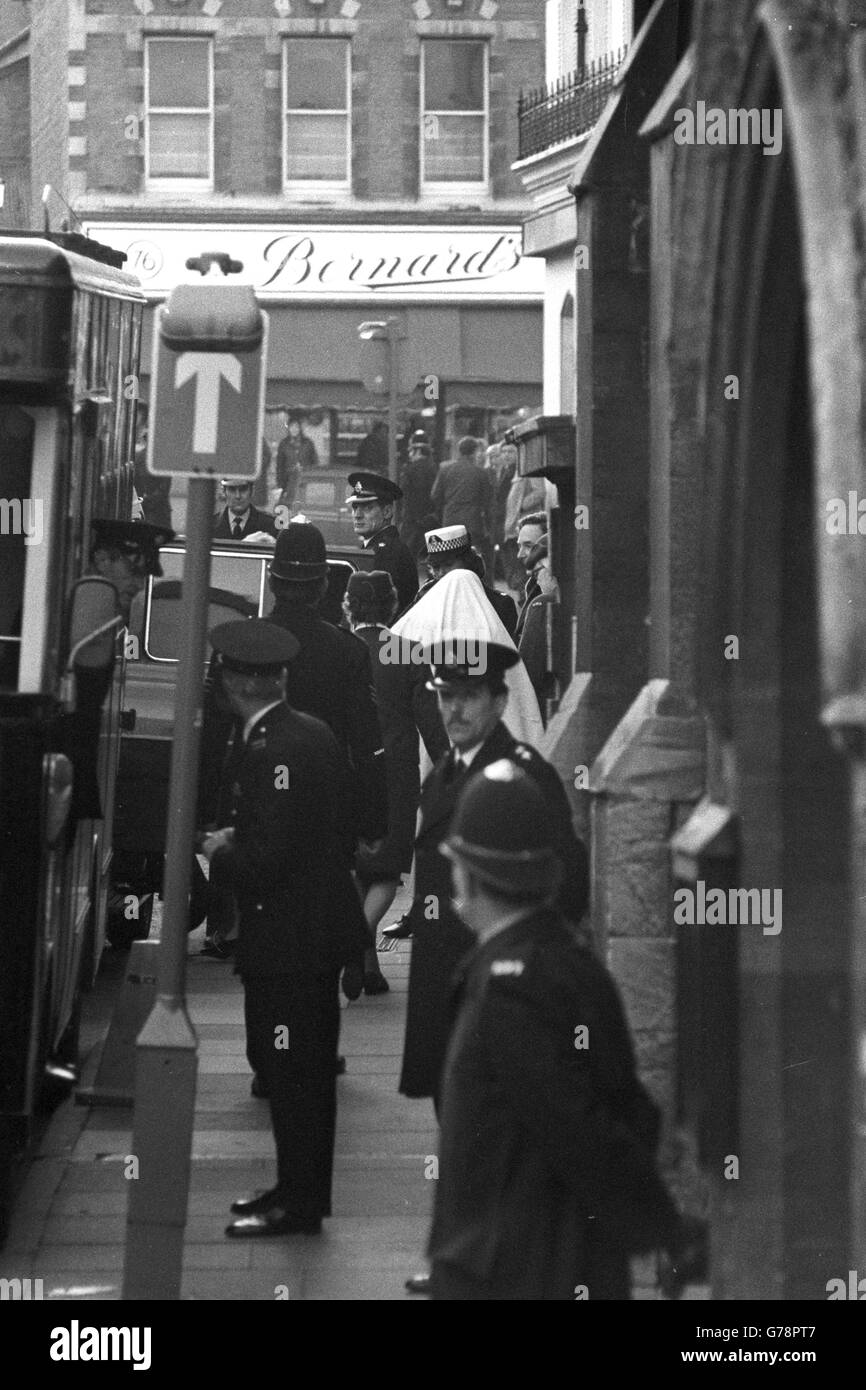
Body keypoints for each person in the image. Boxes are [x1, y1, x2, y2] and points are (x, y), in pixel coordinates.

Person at [425, 761, 687, 1299]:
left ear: (469, 877)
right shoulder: (575, 964)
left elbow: (572, 1121)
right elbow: (630, 1108)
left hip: (514, 1271)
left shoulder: (508, 988)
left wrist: (663, 1227)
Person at [398, 642, 591, 1294]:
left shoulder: (521, 773)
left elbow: (568, 883)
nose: (453, 709)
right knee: (456, 1123)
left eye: (468, 697)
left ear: (500, 701)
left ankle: (485, 1259)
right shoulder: (452, 767)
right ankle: (462, 1251)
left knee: (490, 1132)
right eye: (444, 695)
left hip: (499, 978)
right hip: (451, 973)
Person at [203, 619, 369, 1239]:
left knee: (293, 1077)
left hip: (291, 943)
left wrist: (220, 851)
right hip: (317, 935)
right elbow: (336, 821)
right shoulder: (312, 733)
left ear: (240, 681)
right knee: (304, 1077)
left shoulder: (271, 748)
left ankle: (297, 1205)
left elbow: (269, 862)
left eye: (224, 673)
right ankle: (295, 1191)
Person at [342, 570, 449, 992]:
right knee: (387, 869)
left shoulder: (340, 647)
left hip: (348, 769)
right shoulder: (407, 654)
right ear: (392, 606)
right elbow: (432, 726)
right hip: (396, 773)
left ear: (348, 607)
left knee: (355, 864)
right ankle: (357, 949)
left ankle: (368, 965)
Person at [414, 525, 518, 638]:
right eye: (435, 567)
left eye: (448, 564)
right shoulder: (425, 598)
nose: (441, 573)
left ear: (467, 562)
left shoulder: (499, 604)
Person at [347, 471, 419, 617]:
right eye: (355, 507)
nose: (357, 514)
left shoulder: (386, 553)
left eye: (367, 508)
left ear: (387, 512)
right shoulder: (379, 547)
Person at [430, 436, 494, 579]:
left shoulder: (445, 470)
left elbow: (435, 495)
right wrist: (489, 528)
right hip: (473, 522)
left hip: (449, 521)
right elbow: (488, 502)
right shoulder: (480, 473)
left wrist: (443, 512)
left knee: (450, 558)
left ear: (459, 451)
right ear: (474, 452)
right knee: (472, 558)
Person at [514, 512, 557, 641]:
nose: (520, 554)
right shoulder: (532, 584)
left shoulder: (551, 587)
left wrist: (551, 593)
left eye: (528, 546)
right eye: (519, 546)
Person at [398, 439, 438, 561]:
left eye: (412, 451)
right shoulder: (434, 468)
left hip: (411, 516)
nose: (410, 455)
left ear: (419, 452)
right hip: (430, 516)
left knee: (408, 551)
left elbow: (403, 492)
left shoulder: (410, 469)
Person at [212, 479, 277, 541]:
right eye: (232, 490)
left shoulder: (271, 526)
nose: (238, 496)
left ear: (252, 491)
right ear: (224, 492)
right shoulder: (210, 526)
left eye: (243, 489)